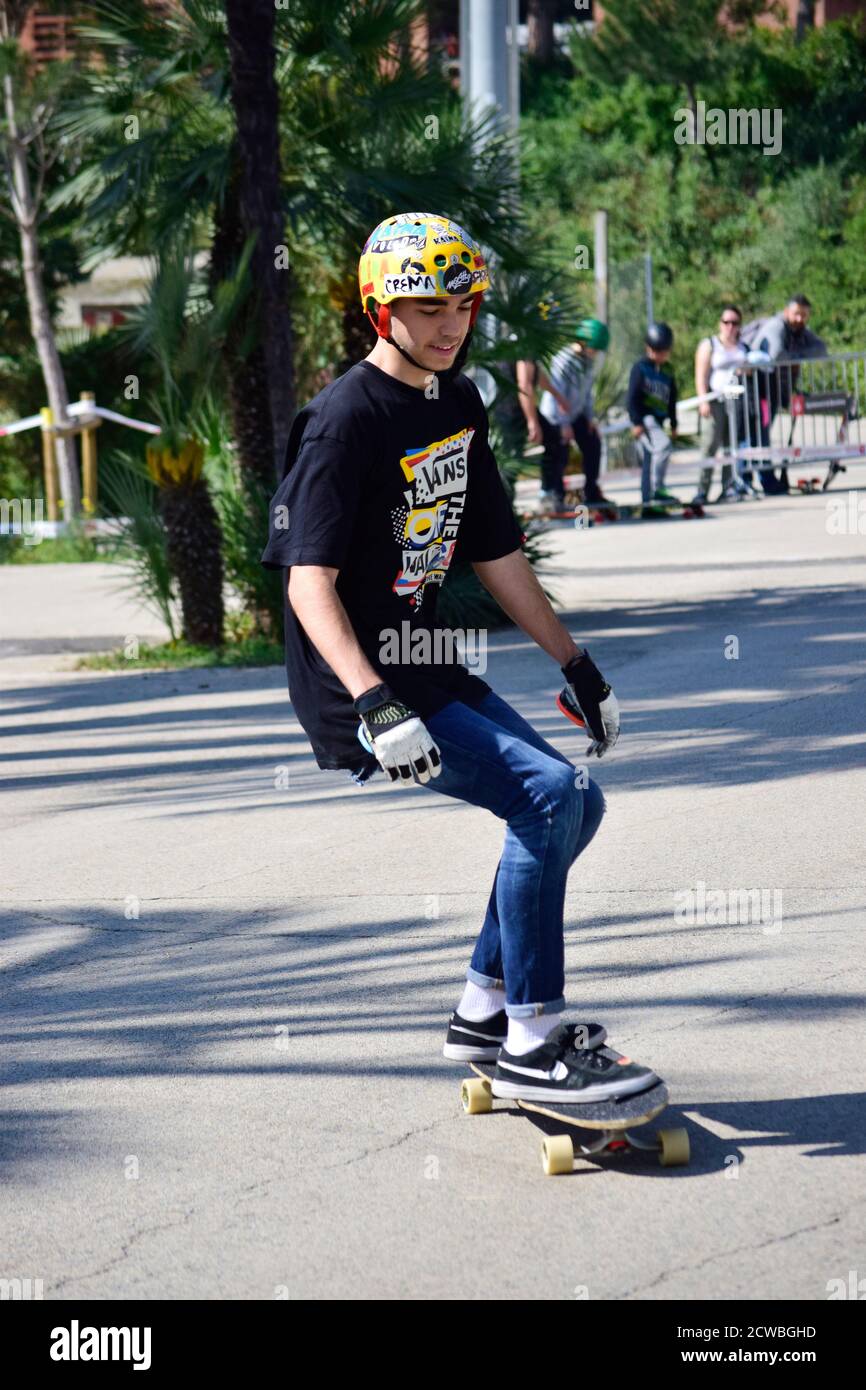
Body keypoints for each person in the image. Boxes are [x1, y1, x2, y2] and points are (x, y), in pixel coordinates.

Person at [261, 211, 655, 1105]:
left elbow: (496, 553)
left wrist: (578, 666)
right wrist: (372, 702)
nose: (449, 324)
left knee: (575, 806)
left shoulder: (461, 401)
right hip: (358, 682)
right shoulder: (343, 420)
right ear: (380, 309)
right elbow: (307, 583)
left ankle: (483, 1008)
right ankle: (534, 1035)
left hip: (424, 660)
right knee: (545, 796)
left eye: (463, 305)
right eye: (426, 306)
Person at [519, 318, 613, 512]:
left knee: (593, 441)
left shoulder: (587, 363)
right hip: (556, 415)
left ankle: (592, 491)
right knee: (560, 448)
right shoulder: (564, 360)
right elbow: (557, 393)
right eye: (594, 349)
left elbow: (587, 393)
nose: (595, 354)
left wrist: (590, 418)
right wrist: (563, 425)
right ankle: (555, 494)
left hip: (575, 413)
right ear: (584, 343)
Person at [746, 294, 828, 495]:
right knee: (756, 434)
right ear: (786, 312)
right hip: (754, 387)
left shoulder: (799, 331)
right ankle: (761, 480)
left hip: (770, 387)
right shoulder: (776, 326)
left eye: (804, 315)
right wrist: (798, 357)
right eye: (796, 314)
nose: (800, 319)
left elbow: (821, 350)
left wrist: (795, 357)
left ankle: (760, 479)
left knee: (760, 433)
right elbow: (777, 355)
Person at [693, 304, 758, 501]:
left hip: (736, 402)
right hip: (715, 400)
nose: (730, 326)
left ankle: (728, 486)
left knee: (732, 446)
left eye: (734, 323)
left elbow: (751, 371)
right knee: (710, 445)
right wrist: (703, 400)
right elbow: (701, 375)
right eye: (726, 322)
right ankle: (702, 490)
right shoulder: (710, 344)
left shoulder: (743, 347)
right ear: (720, 324)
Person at [627, 322, 679, 516]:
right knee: (663, 447)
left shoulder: (668, 370)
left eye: (663, 351)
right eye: (656, 351)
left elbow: (672, 398)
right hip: (645, 419)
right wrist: (636, 422)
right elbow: (631, 397)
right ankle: (657, 489)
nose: (659, 355)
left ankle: (650, 505)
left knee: (650, 460)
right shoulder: (640, 368)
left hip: (659, 420)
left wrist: (674, 423)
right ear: (648, 348)